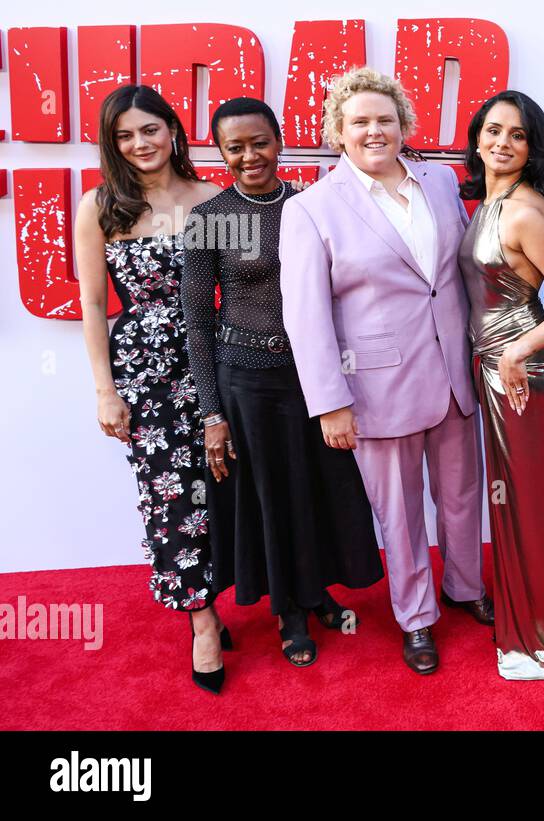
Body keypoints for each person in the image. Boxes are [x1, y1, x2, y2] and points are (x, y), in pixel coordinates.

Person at [279, 67, 493, 676]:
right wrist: (329, 401)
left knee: (460, 496)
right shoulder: (312, 208)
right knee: (397, 515)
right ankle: (417, 617)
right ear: (337, 133)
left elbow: (455, 278)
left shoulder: (440, 181)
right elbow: (306, 317)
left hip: (455, 373)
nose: (375, 131)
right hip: (374, 387)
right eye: (360, 123)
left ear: (404, 126)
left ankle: (464, 586)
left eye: (386, 120)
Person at [180, 97, 384, 669]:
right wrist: (212, 414)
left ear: (279, 139)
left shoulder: (310, 205)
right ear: (220, 153)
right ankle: (289, 611)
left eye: (260, 142)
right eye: (235, 147)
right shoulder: (210, 218)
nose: (250, 156)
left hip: (312, 375)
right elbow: (197, 318)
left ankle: (317, 590)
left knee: (317, 487)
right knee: (271, 497)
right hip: (246, 381)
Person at [73, 84, 227, 693]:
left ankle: (265, 596)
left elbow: (248, 287)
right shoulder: (100, 207)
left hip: (218, 363)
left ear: (173, 129)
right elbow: (91, 304)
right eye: (124, 135)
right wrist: (104, 392)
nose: (140, 143)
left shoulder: (215, 201)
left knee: (228, 487)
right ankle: (204, 623)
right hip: (146, 374)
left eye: (150, 129)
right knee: (174, 500)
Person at [458, 90, 544, 680]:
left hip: (524, 371)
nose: (502, 143)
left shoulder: (522, 211)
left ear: (532, 146)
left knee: (532, 500)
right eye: (493, 130)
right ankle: (535, 618)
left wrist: (516, 350)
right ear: (477, 137)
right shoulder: (492, 201)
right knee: (511, 499)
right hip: (495, 366)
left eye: (517, 135)